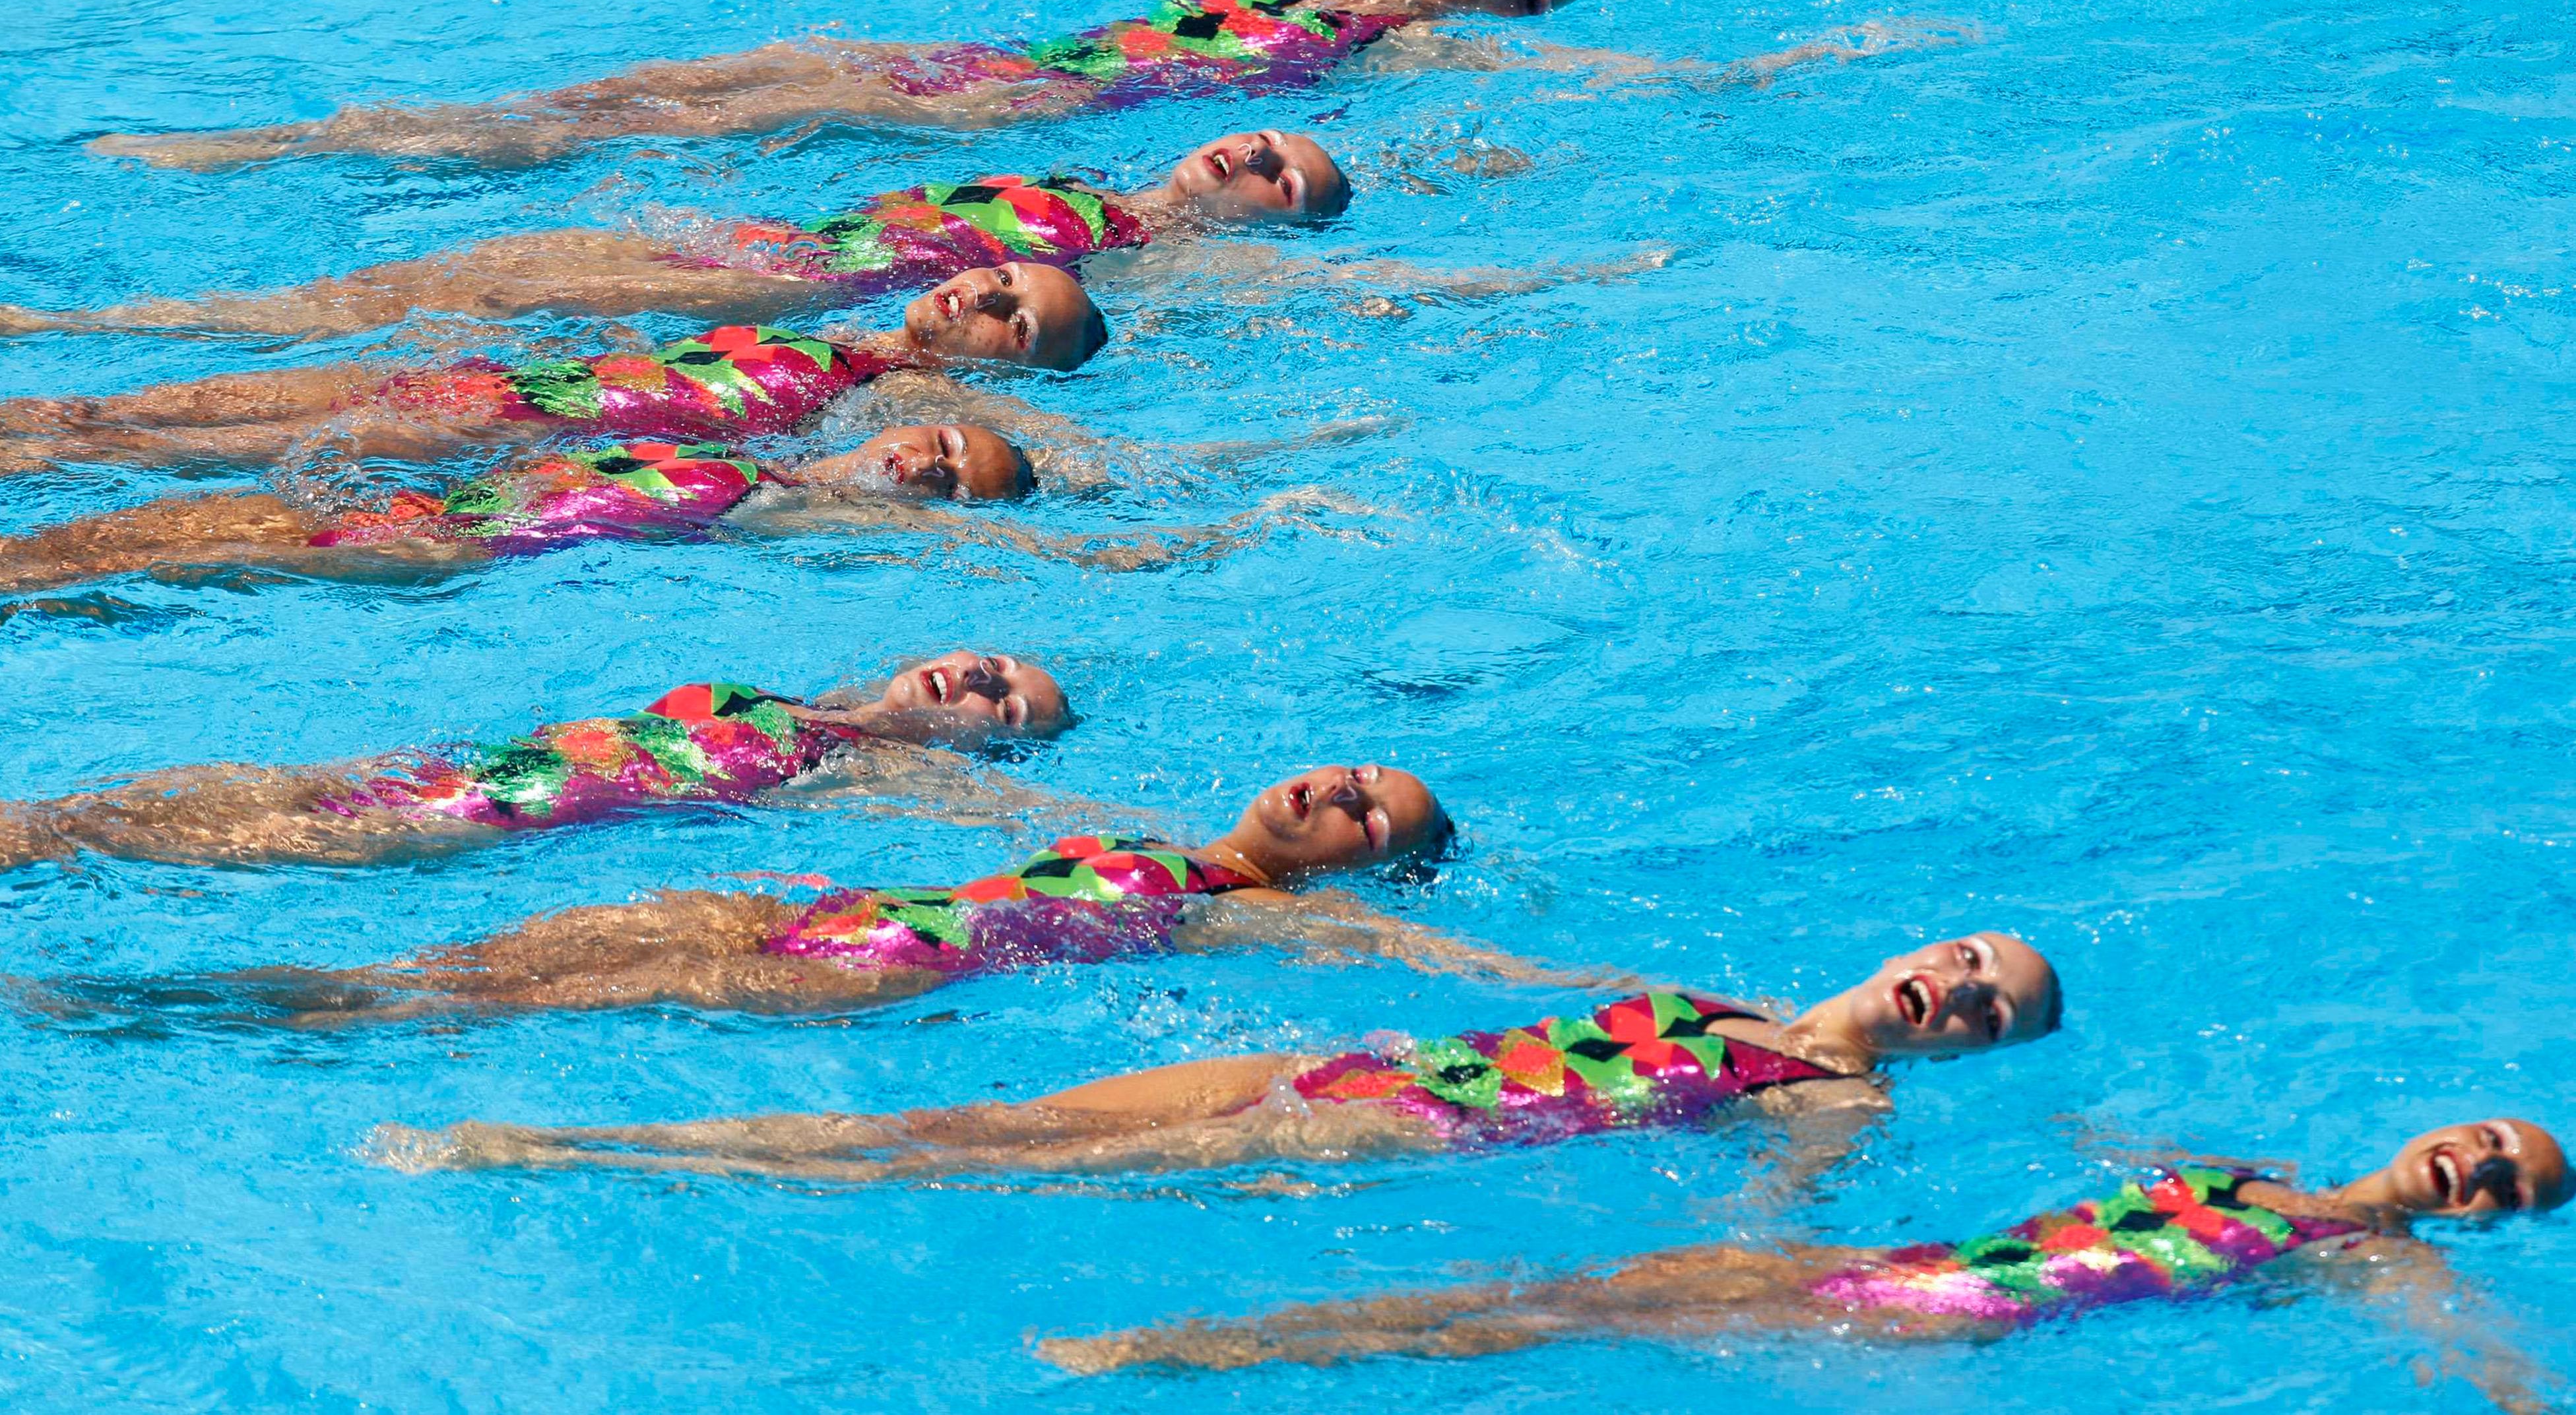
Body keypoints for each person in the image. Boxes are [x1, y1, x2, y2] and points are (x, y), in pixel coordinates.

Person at [1037, 1119, 2569, 1415]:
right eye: (2493, 1139)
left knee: (1526, 1324)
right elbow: (2113, 1155)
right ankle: (1205, 1347)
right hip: (1888, 1269)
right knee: (1538, 1301)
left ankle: (1190, 1359)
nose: (2483, 1170)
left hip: (1931, 1317)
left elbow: (2472, 1360)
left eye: (2508, 1189)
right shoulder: (2253, 1177)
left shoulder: (2372, 1257)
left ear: (2485, 1221)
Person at [373, 931, 2057, 1174]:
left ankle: (551, 1149)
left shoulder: (1832, 1097)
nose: (1962, 993)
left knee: (966, 1157)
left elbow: (1764, 1228)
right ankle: (618, 1136)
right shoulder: (1689, 991)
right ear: (1914, 947)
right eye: (1967, 960)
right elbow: (1494, 980)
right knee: (992, 1112)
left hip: (1374, 1148)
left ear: (1970, 1056)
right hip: (1340, 1075)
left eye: (1993, 1012)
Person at [85, 0, 1628, 170]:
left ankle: (267, 144)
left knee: (650, 132)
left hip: (991, 121)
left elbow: (1614, 87)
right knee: (623, 93)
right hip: (951, 64)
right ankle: (325, 132)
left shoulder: (1388, 49)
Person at [133, 764, 1581, 1027]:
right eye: (1349, 773)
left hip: (886, 968)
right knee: (481, 957)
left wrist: (1567, 997)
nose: (1334, 794)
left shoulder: (1291, 912)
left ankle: (244, 1019)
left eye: (1365, 820)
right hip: (820, 907)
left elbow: (1436, 960)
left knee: (524, 999)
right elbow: (987, 807)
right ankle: (255, 997)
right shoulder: (1141, 830)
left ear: (1358, 870)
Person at [0, 131, 1354, 342]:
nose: (1252, 154)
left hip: (758, 288)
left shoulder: (1146, 257)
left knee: (402, 299)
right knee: (414, 278)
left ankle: (53, 328)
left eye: (1280, 181)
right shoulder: (1088, 179)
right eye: (1271, 143)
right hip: (763, 239)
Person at [0, 654, 1068, 880]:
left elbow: (1039, 817)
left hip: (478, 816)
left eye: (1004, 706)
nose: (978, 683)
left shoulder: (867, 766)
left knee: (111, 836)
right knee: (109, 806)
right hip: (445, 767)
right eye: (995, 662)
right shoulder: (798, 691)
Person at [0, 412, 1348, 593]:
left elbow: (1030, 536)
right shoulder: (779, 451)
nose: (923, 465)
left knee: (53, 564)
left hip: (422, 549)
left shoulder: (804, 516)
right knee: (63, 534)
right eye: (937, 443)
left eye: (943, 485)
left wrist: (1211, 516)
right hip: (419, 507)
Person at [0, 270, 1105, 479]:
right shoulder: (840, 326)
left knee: (148, 448)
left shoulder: (900, 400)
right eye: (1005, 277)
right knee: (112, 414)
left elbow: (1020, 493)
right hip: (499, 382)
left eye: (1014, 325)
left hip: (498, 437)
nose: (986, 297)